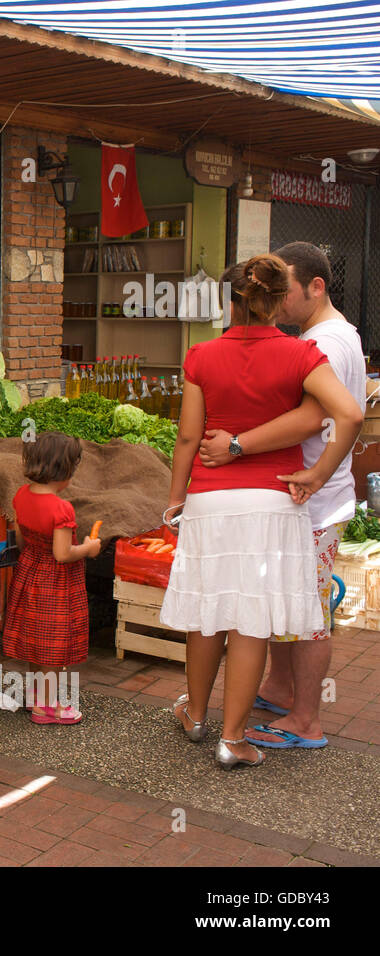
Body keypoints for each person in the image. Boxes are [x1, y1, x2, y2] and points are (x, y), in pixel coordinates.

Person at [159, 254, 362, 770]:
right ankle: (232, 738)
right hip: (273, 502)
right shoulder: (301, 354)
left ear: (231, 302)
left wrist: (176, 496)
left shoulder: (201, 355)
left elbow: (187, 435)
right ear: (278, 302)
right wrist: (317, 476)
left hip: (209, 499)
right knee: (251, 622)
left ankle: (197, 715)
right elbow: (350, 413)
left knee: (208, 613)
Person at [3, 431, 99, 725]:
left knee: (37, 640)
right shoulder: (61, 508)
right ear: (65, 470)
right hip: (55, 582)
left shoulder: (21, 494)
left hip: (29, 569)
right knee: (53, 648)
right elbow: (62, 553)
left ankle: (36, 695)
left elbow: (21, 538)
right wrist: (89, 548)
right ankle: (47, 708)